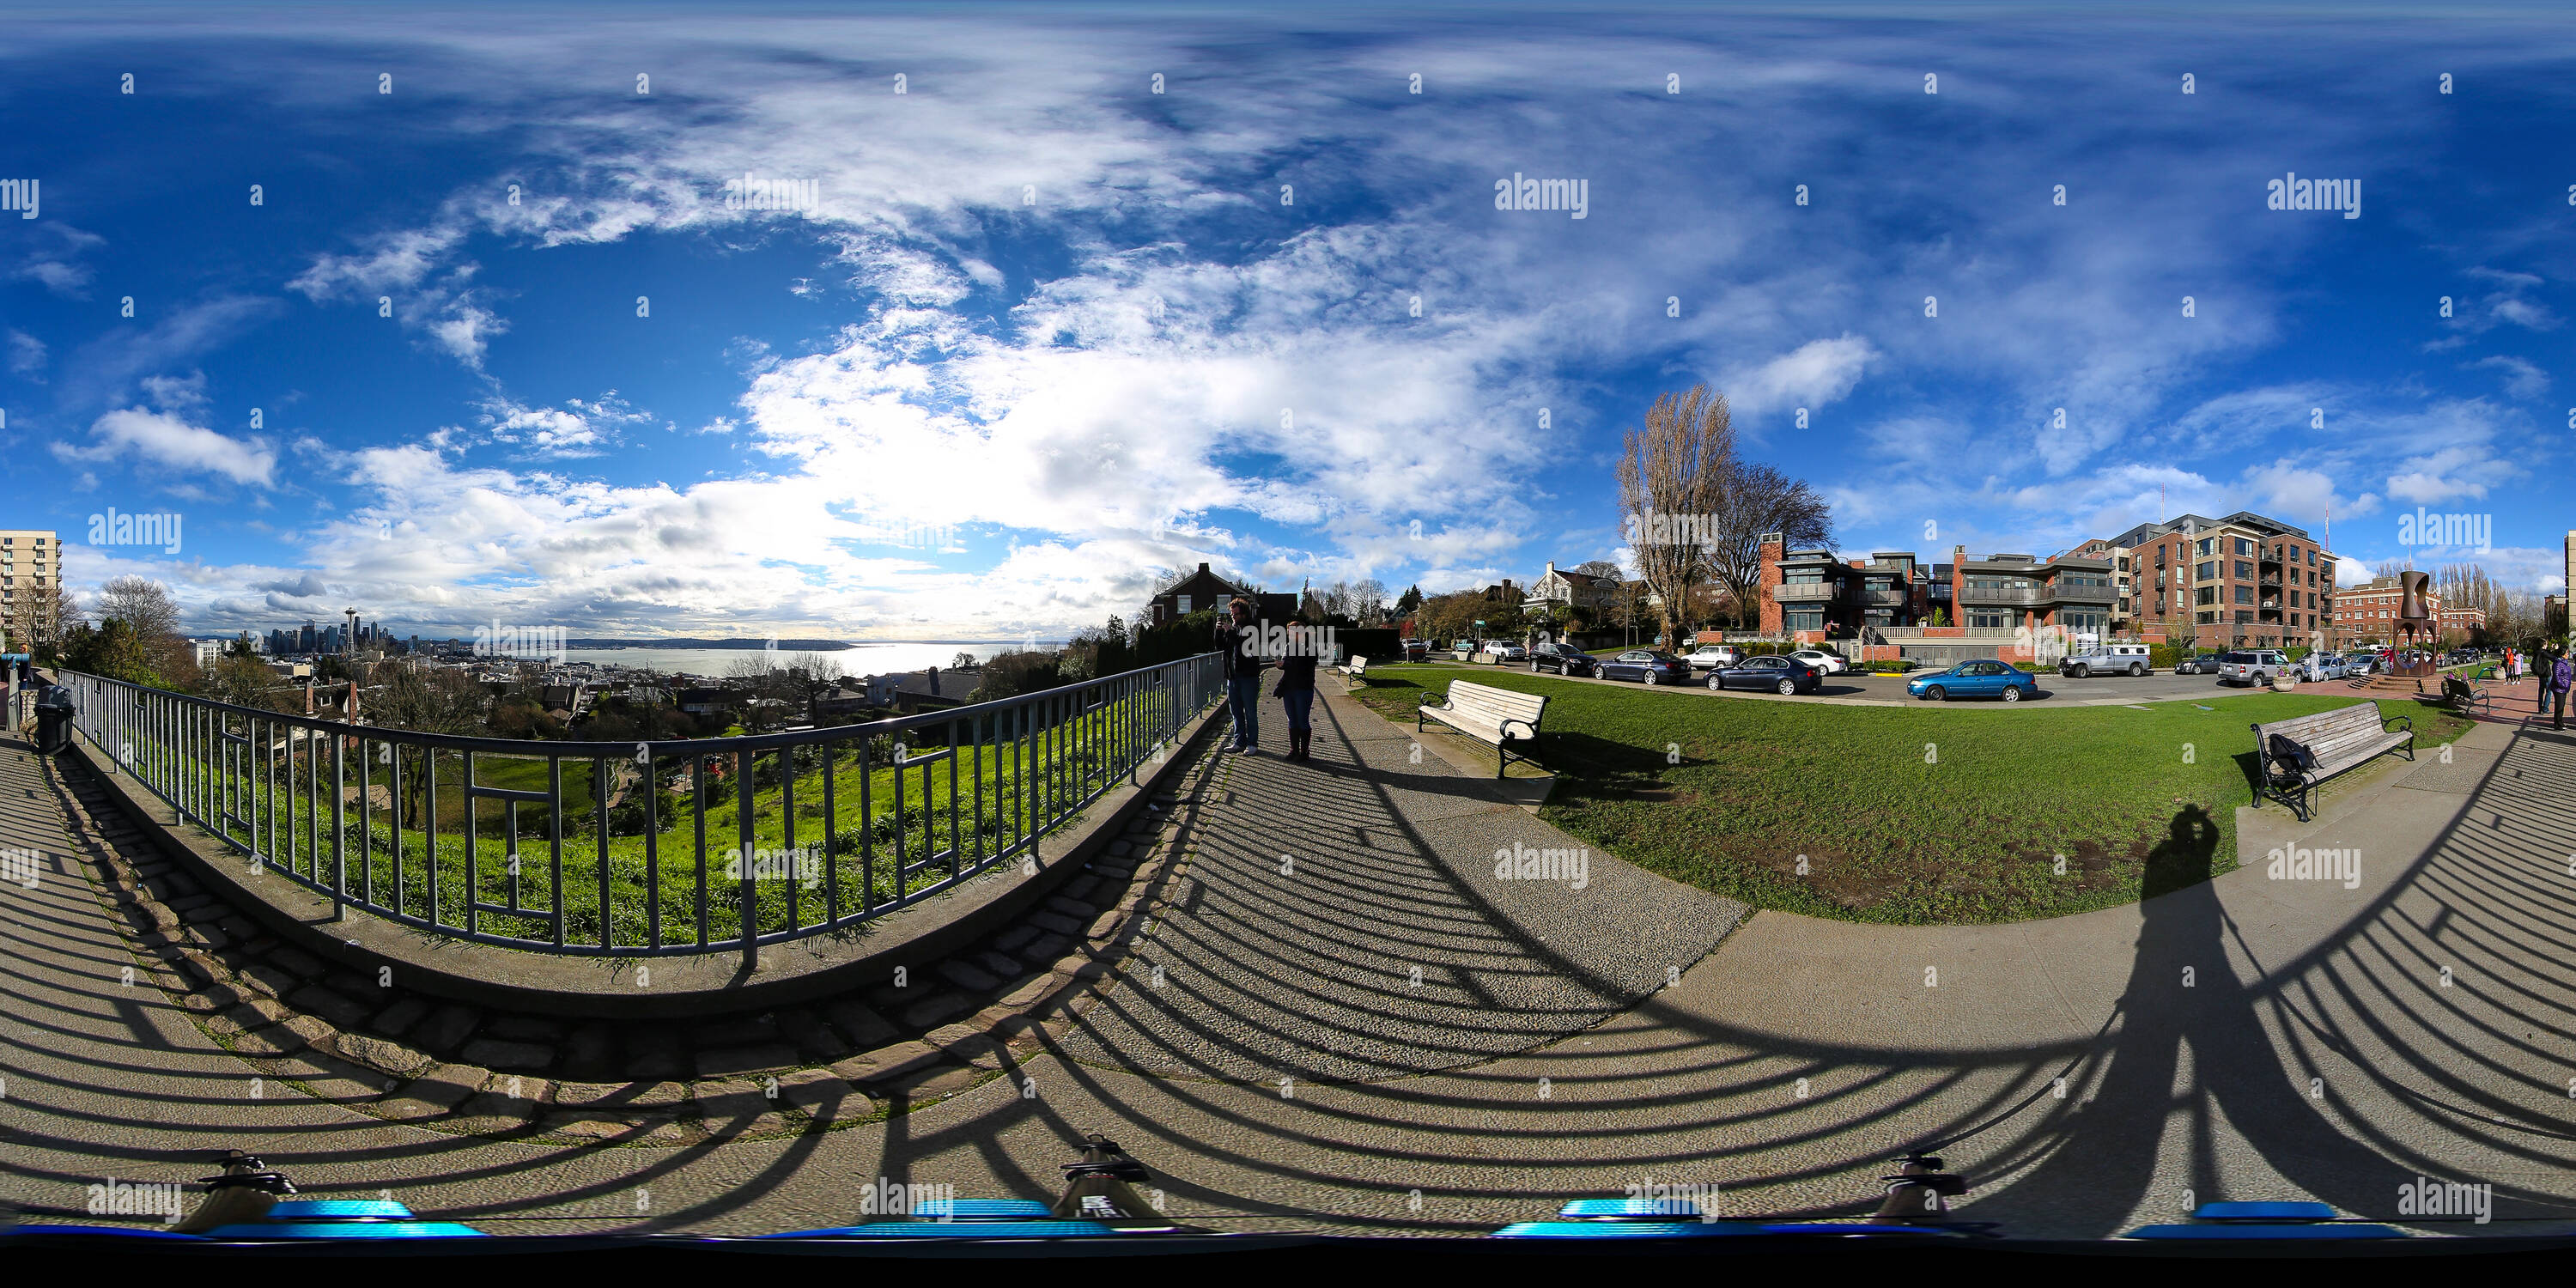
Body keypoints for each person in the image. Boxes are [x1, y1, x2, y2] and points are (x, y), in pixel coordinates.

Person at [1215, 597, 1265, 755]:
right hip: (1233, 676)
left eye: (1236, 614)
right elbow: (1220, 646)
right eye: (1231, 614)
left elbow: (1245, 647)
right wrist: (1218, 631)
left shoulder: (1253, 628)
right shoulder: (1233, 628)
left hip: (1248, 676)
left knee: (1250, 711)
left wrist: (1230, 632)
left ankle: (1252, 744)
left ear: (1244, 614)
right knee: (1236, 712)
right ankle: (1239, 742)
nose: (1233, 617)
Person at [1274, 623, 1320, 761]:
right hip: (1289, 688)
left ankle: (1304, 752)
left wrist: (1285, 664)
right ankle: (1294, 750)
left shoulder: (1310, 646)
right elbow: (1287, 663)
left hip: (1303, 688)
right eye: (1290, 632)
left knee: (1302, 721)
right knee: (1292, 720)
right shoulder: (1289, 646)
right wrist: (1281, 665)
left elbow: (1303, 666)